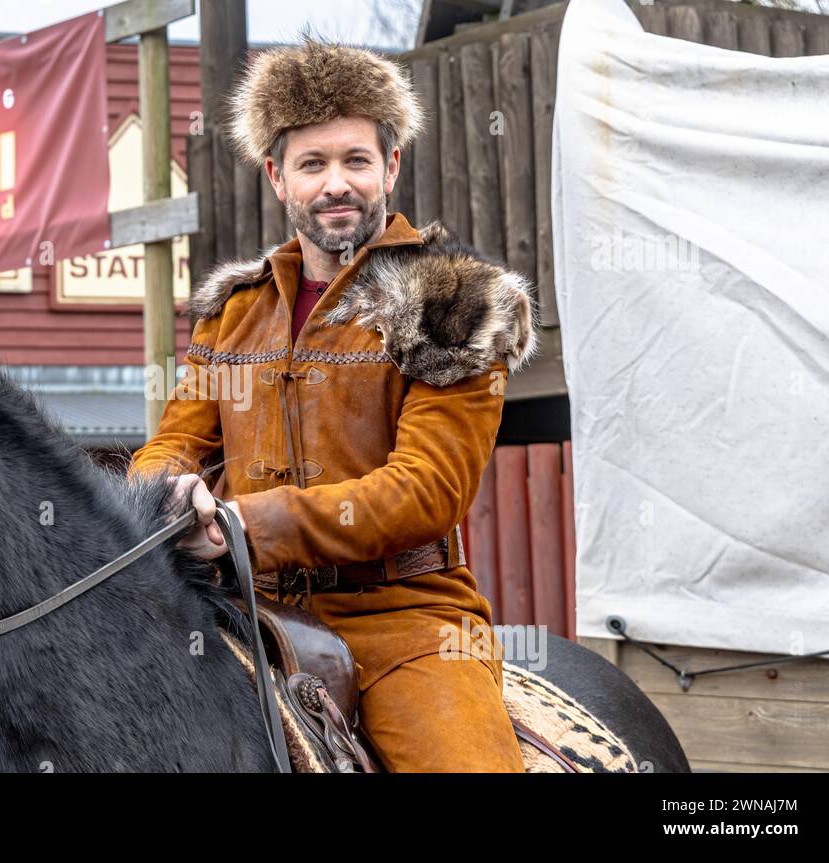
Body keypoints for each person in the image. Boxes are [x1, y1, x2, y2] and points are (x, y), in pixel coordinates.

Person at [126, 35, 537, 772]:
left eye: (355, 159)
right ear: (277, 178)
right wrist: (164, 490)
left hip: (405, 623)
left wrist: (247, 524)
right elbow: (174, 442)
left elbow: (426, 492)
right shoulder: (233, 313)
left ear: (392, 167)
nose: (335, 184)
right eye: (312, 164)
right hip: (237, 612)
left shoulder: (452, 300)